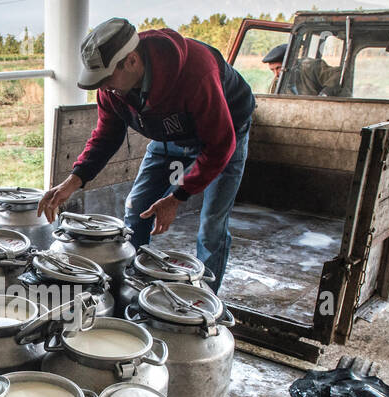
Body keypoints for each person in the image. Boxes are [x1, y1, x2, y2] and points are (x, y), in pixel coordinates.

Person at [38, 18, 255, 291]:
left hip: (225, 132)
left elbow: (220, 145)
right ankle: (131, 288)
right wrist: (73, 181)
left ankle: (204, 306)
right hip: (170, 137)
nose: (103, 87)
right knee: (136, 208)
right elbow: (107, 136)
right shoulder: (112, 90)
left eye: (106, 78)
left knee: (211, 225)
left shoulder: (196, 72)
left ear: (131, 61)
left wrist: (177, 197)